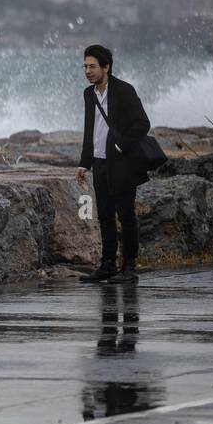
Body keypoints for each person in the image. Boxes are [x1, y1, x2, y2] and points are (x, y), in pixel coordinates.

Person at [76, 44, 151, 284]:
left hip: (122, 162)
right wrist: (84, 162)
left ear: (106, 67)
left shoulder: (124, 91)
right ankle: (108, 265)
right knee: (105, 215)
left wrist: (120, 147)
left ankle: (129, 267)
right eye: (85, 66)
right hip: (99, 162)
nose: (88, 71)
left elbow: (142, 124)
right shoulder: (89, 94)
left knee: (126, 214)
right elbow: (91, 129)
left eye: (93, 66)